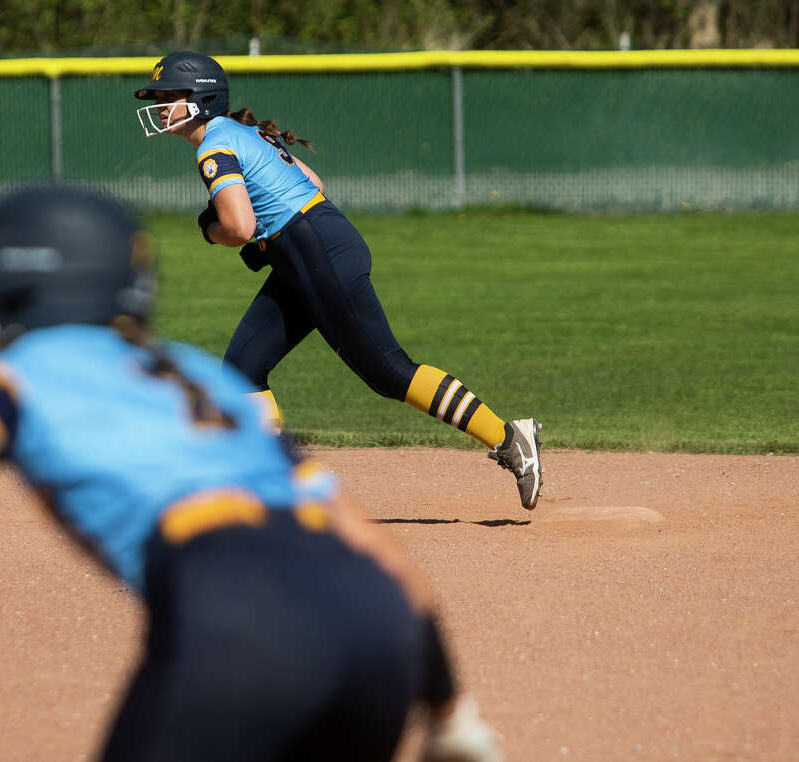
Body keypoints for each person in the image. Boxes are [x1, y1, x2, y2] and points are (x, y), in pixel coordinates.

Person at [0, 182, 503, 762]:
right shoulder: (209, 379)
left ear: (33, 289)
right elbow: (369, 544)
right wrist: (448, 707)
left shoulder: (30, 368)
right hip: (377, 631)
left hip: (234, 615)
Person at [135, 51, 544, 510]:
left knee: (389, 372)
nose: (160, 106)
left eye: (169, 96)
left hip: (316, 251)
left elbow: (239, 228)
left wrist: (209, 230)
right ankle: (274, 494)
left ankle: (510, 436)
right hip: (313, 247)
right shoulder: (242, 133)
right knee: (244, 368)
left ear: (201, 98)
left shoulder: (214, 145)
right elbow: (314, 180)